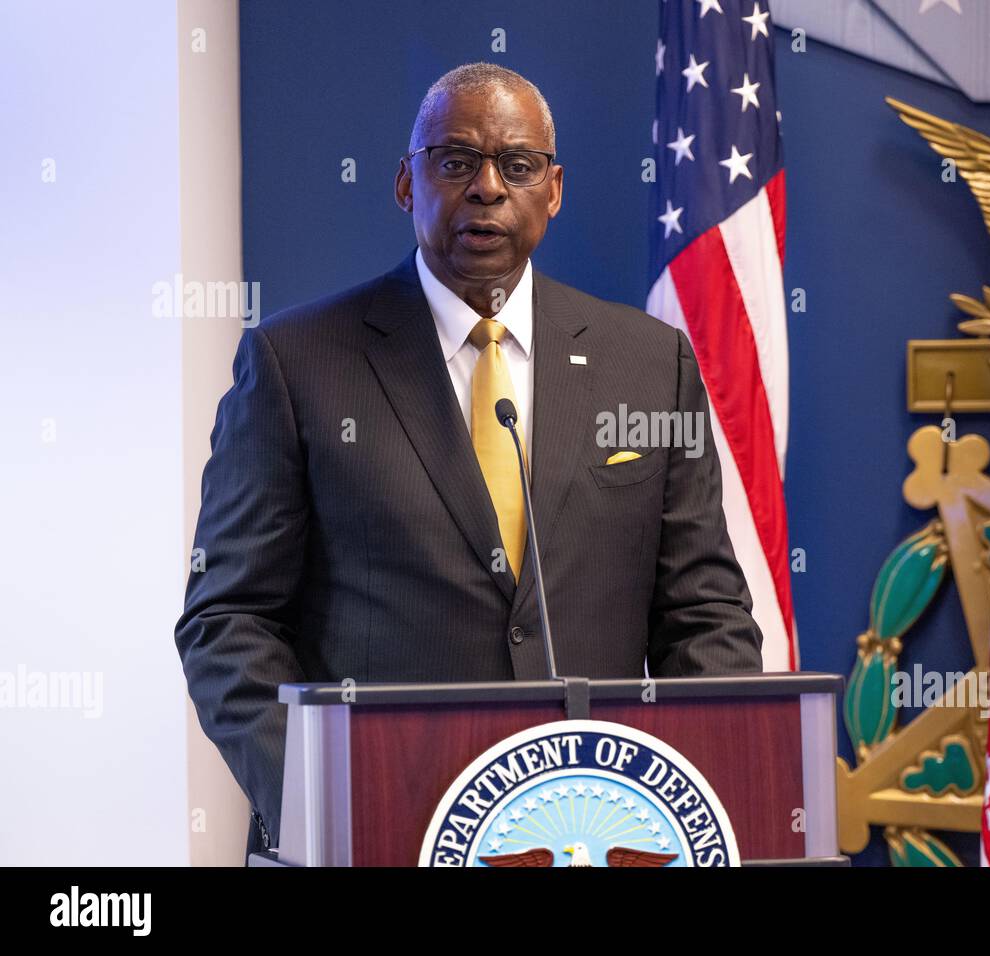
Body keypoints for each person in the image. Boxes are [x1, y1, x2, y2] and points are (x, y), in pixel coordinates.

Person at [174, 62, 762, 858]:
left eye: (516, 165)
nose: (487, 187)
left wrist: (687, 798)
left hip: (592, 835)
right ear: (405, 186)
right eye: (455, 161)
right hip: (372, 835)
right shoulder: (298, 361)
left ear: (552, 191)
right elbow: (228, 619)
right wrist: (321, 795)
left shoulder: (650, 365)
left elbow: (706, 615)